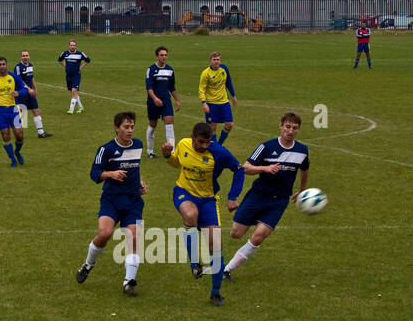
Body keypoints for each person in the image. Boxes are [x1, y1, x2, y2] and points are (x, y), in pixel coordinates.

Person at [161, 122, 244, 306]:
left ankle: (215, 292)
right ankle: (195, 263)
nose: (204, 146)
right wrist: (168, 155)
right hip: (184, 192)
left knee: (216, 245)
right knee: (190, 215)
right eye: (201, 142)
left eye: (207, 142)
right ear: (192, 137)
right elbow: (177, 163)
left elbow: (239, 170)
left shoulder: (219, 153)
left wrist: (232, 197)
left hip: (208, 200)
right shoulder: (183, 144)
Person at [224, 111, 311, 281]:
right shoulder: (266, 147)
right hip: (258, 195)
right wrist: (265, 168)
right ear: (281, 126)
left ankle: (227, 270)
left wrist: (302, 190)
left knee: (258, 237)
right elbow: (246, 167)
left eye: (294, 128)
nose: (290, 131)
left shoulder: (302, 150)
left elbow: (305, 169)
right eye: (287, 127)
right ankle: (251, 215)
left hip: (279, 201)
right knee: (236, 233)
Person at [76, 111, 147, 296]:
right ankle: (88, 264)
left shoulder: (138, 145)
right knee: (105, 234)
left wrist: (139, 182)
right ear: (117, 128)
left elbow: (135, 168)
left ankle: (128, 281)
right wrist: (111, 174)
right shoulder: (106, 149)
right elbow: (94, 173)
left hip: (133, 202)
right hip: (111, 200)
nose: (130, 130)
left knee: (134, 237)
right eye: (126, 127)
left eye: (132, 127)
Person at [0, 57, 26, 167]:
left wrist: (19, 93)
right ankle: (12, 159)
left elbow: (25, 88)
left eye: (3, 64)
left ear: (6, 65)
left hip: (14, 109)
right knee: (5, 135)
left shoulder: (14, 77)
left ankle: (17, 152)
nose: (2, 66)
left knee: (19, 135)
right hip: (0, 111)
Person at [145, 46, 180, 157]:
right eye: (161, 55)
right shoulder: (151, 70)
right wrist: (155, 98)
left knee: (169, 122)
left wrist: (177, 100)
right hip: (153, 102)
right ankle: (150, 151)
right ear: (157, 56)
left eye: (165, 55)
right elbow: (149, 87)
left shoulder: (170, 70)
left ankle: (172, 151)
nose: (164, 57)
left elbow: (172, 87)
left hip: (166, 101)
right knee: (152, 125)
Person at [198, 51, 237, 145]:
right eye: (214, 60)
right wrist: (204, 103)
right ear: (210, 61)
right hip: (211, 103)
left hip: (224, 102)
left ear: (220, 60)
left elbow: (228, 82)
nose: (216, 62)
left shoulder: (224, 69)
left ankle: (219, 145)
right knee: (212, 128)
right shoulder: (206, 73)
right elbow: (201, 89)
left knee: (229, 124)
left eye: (218, 60)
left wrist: (233, 96)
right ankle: (215, 147)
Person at [13, 50, 50, 138]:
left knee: (36, 111)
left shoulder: (30, 65)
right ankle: (18, 133)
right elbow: (20, 81)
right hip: (22, 93)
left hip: (30, 92)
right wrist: (29, 89)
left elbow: (31, 77)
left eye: (26, 55)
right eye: (23, 56)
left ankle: (41, 133)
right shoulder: (18, 67)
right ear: (21, 57)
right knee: (22, 113)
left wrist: (35, 89)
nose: (25, 57)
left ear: (29, 57)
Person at [57, 39, 90, 114]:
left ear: (76, 46)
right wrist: (65, 66)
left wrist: (81, 68)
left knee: (74, 91)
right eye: (71, 45)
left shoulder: (80, 54)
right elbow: (59, 60)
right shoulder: (65, 53)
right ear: (69, 46)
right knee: (73, 93)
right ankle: (81, 107)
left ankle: (71, 109)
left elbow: (87, 60)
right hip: (68, 75)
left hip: (76, 75)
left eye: (74, 45)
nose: (72, 46)